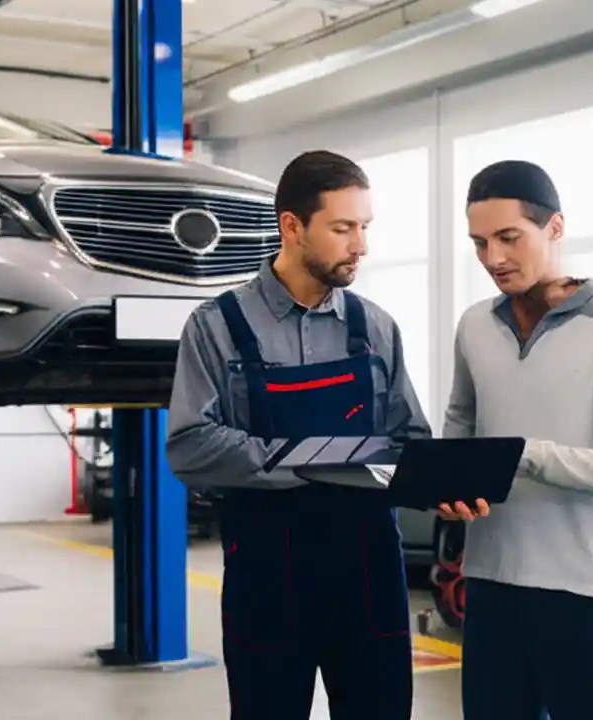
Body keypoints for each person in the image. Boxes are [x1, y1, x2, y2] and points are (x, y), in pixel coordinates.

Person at [165, 149, 443, 719]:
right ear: (291, 226)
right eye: (342, 228)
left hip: (367, 575)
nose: (360, 245)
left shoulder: (376, 328)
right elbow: (191, 445)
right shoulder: (217, 327)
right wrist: (323, 461)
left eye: (364, 227)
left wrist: (442, 480)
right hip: (267, 577)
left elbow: (410, 438)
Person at [442, 159, 593, 720]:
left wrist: (526, 455)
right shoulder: (474, 325)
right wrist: (448, 483)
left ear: (556, 228)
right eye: (479, 243)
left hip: (591, 595)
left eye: (508, 238)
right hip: (492, 588)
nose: (492, 258)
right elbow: (460, 428)